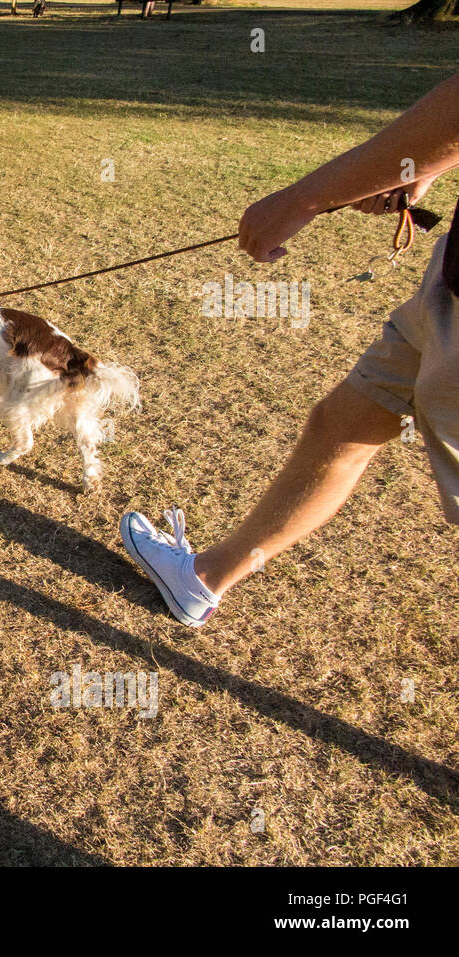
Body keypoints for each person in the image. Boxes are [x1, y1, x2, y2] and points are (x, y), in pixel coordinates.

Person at [121, 70, 459, 627]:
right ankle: (201, 579)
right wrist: (420, 165)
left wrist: (305, 199)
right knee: (348, 420)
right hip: (451, 283)